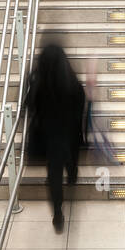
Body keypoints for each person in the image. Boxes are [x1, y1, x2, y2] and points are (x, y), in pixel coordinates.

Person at [20, 39, 86, 233]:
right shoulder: (71, 81)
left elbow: (28, 106)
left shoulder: (37, 80)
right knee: (70, 156)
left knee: (54, 173)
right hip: (69, 133)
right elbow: (80, 106)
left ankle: (57, 212)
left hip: (48, 136)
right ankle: (73, 174)